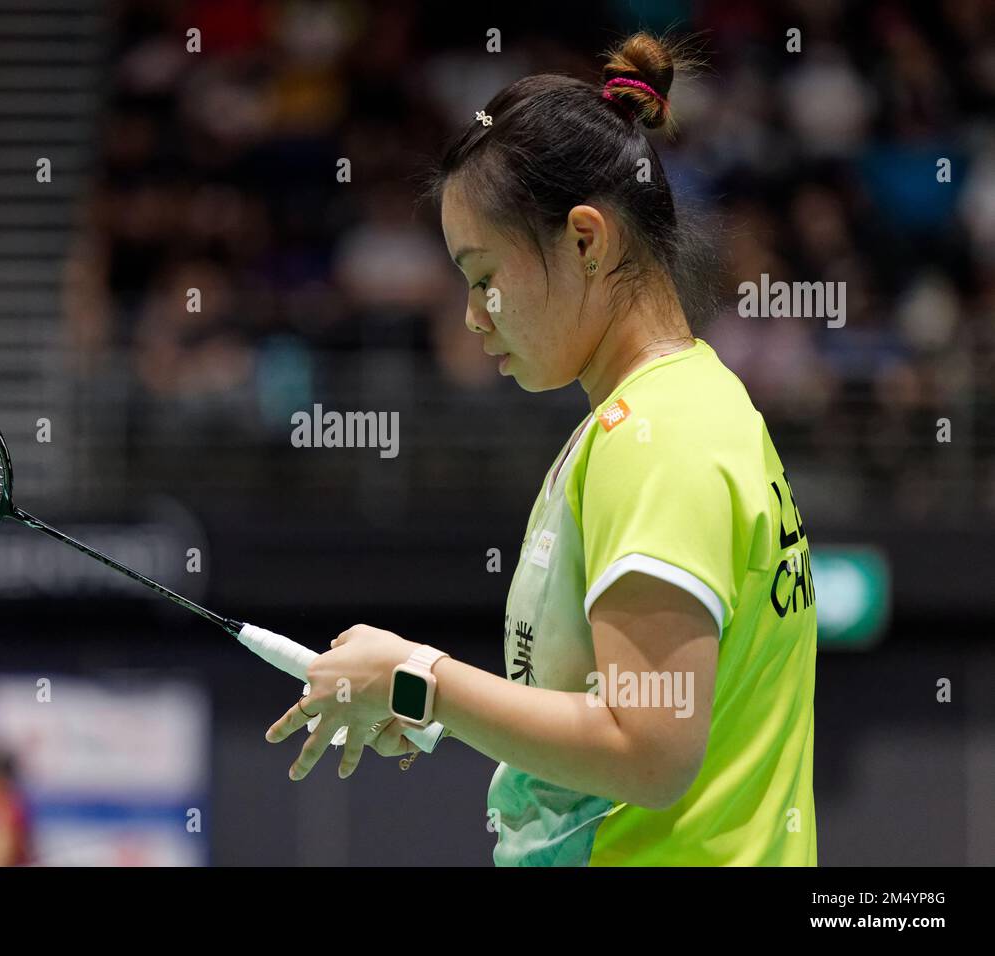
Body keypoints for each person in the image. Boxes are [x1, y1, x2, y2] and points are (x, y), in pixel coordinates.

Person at [266, 34, 818, 866]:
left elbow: (651, 750)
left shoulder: (657, 437)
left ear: (587, 241)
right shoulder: (683, 410)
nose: (472, 316)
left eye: (483, 274)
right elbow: (602, 725)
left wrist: (423, 679)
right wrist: (421, 702)